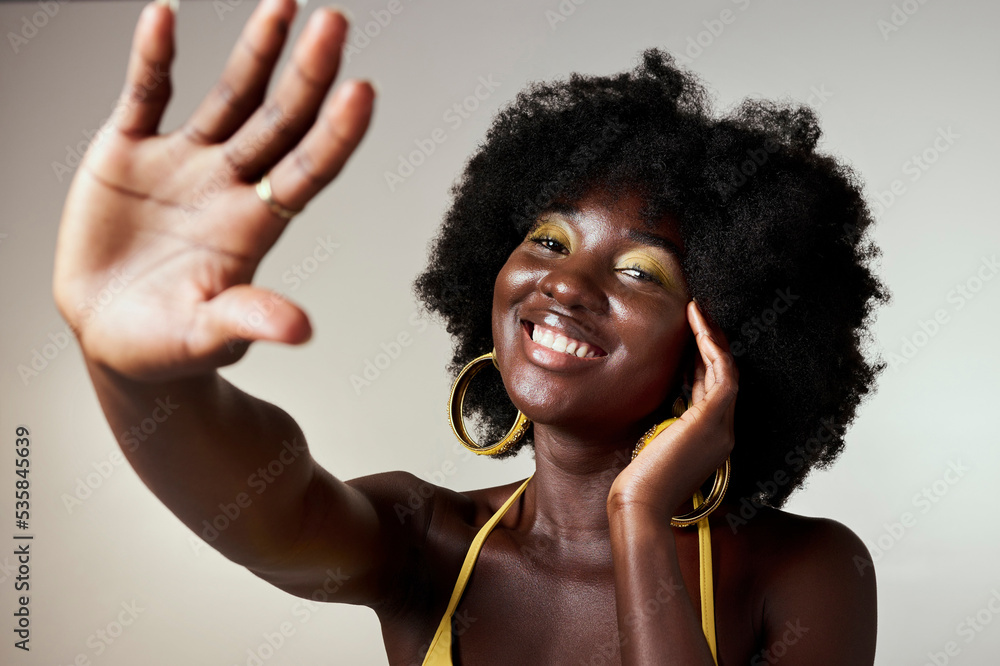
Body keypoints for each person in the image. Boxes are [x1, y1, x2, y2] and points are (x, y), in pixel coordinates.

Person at [52, 0, 887, 663]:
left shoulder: (808, 573)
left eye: (640, 271)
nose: (565, 282)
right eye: (548, 241)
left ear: (722, 347)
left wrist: (639, 515)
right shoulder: (426, 541)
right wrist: (138, 378)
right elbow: (268, 509)